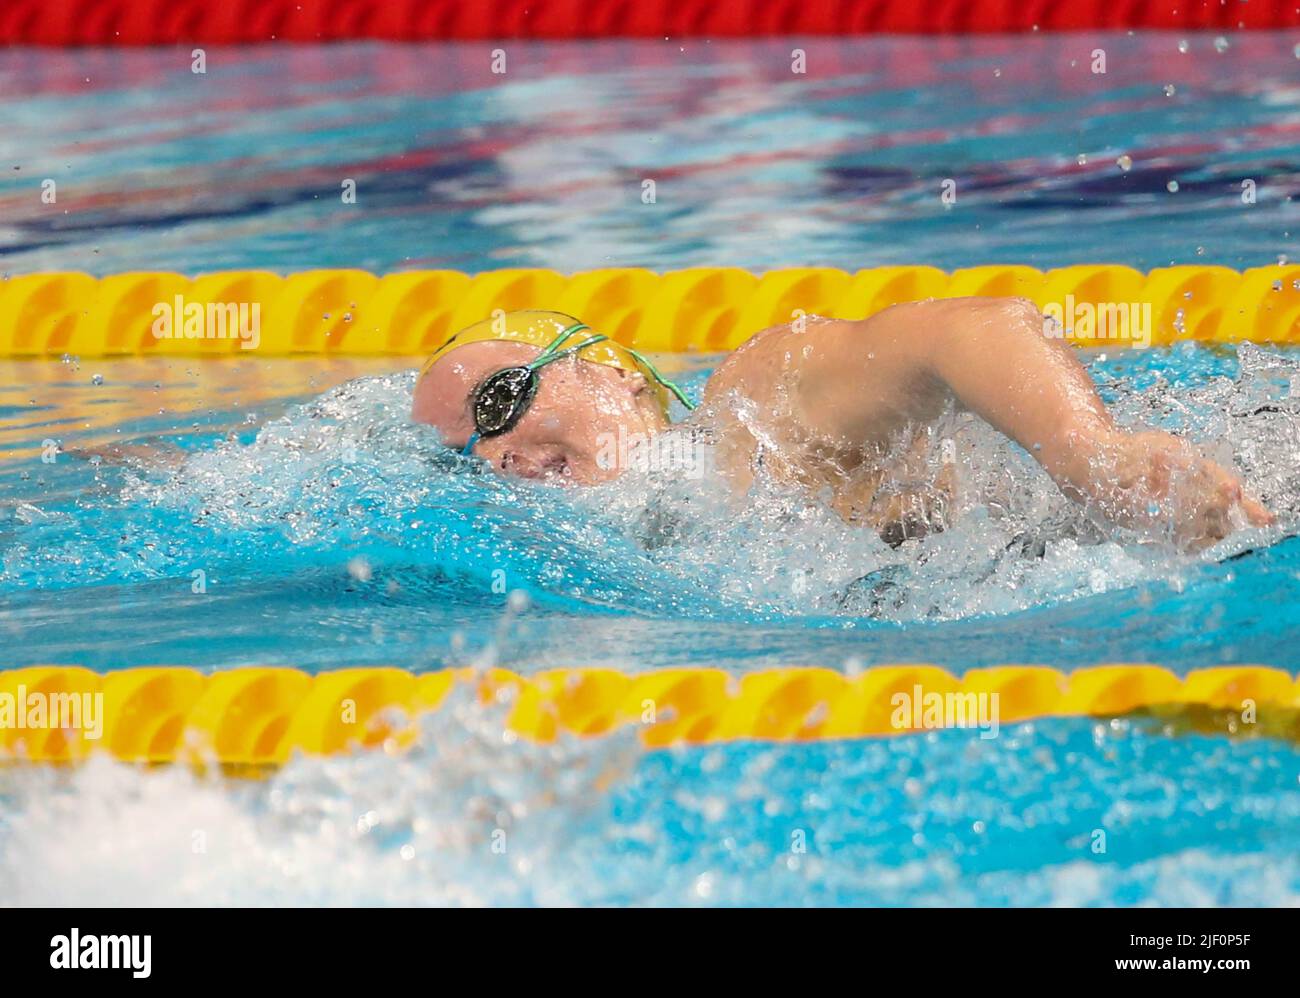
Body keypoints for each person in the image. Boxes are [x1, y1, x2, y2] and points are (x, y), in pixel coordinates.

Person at [411, 300, 1273, 550]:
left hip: (1237, 500)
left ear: (607, 371)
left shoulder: (748, 417)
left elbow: (960, 329)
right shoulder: (645, 550)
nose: (494, 455)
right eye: (466, 456)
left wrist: (1095, 455)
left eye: (498, 403)